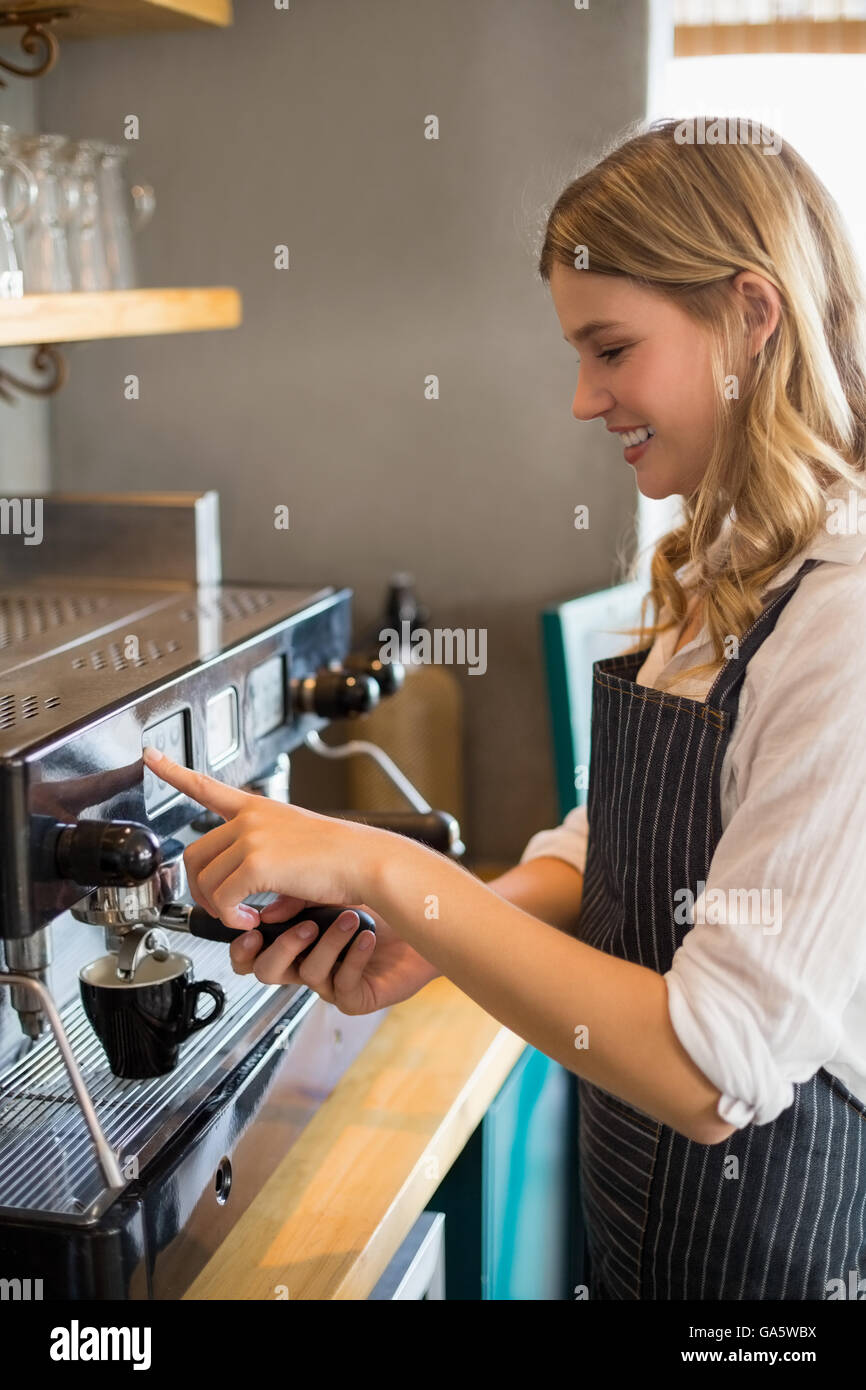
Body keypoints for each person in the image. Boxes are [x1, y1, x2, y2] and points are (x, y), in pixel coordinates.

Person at [144, 117, 866, 1302]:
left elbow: (705, 1066)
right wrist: (446, 933)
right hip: (641, 1227)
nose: (583, 400)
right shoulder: (731, 545)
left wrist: (389, 874)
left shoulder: (840, 617)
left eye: (610, 348)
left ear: (750, 314)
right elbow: (619, 837)